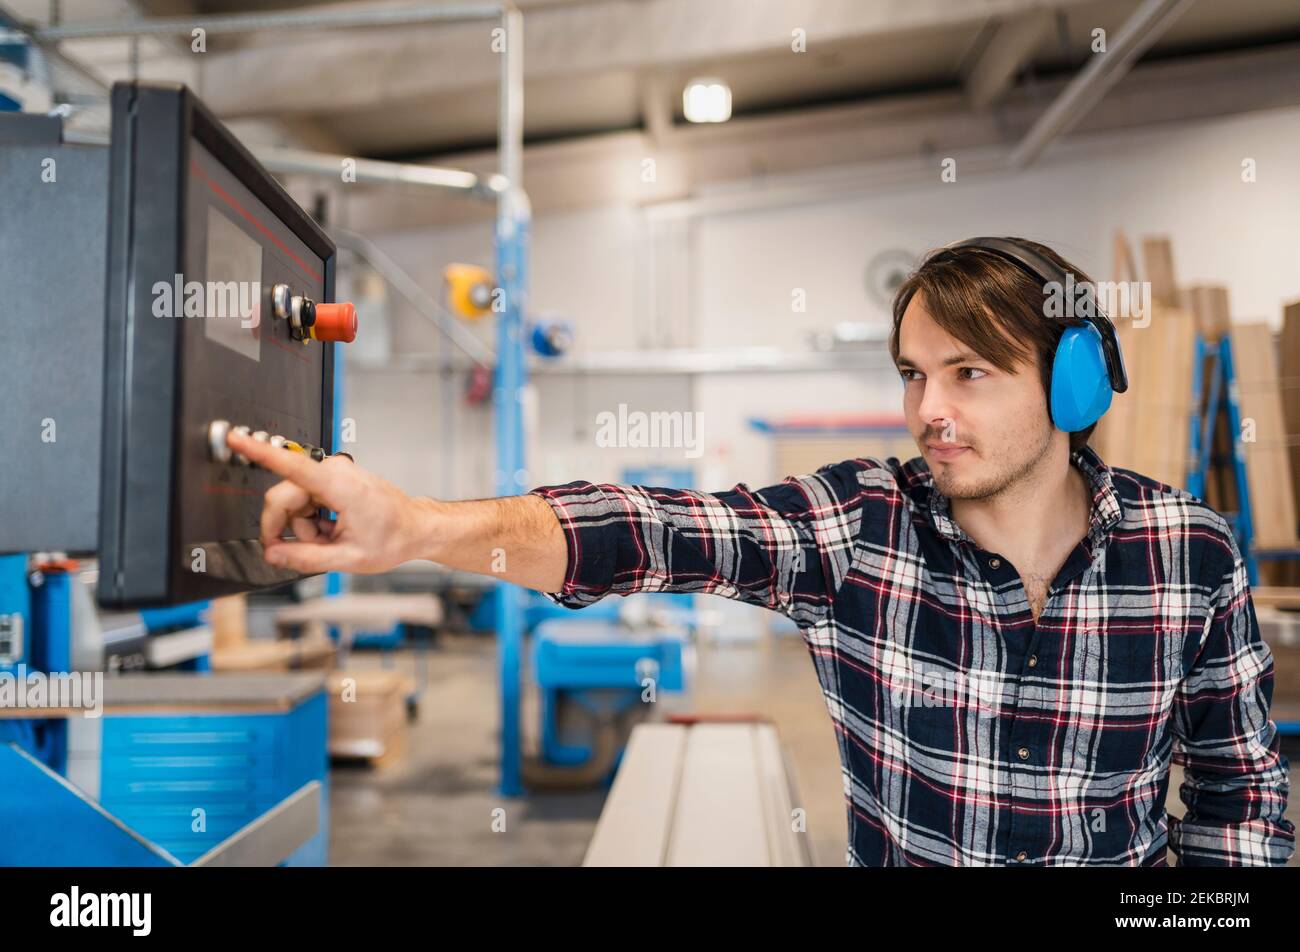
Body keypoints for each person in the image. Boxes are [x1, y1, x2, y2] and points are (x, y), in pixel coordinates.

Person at [225, 237, 1295, 867]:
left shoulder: (1187, 553)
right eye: (913, 374)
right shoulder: (862, 528)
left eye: (967, 372)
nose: (928, 409)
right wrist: (415, 526)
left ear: (1070, 386)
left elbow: (1238, 799)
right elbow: (647, 528)